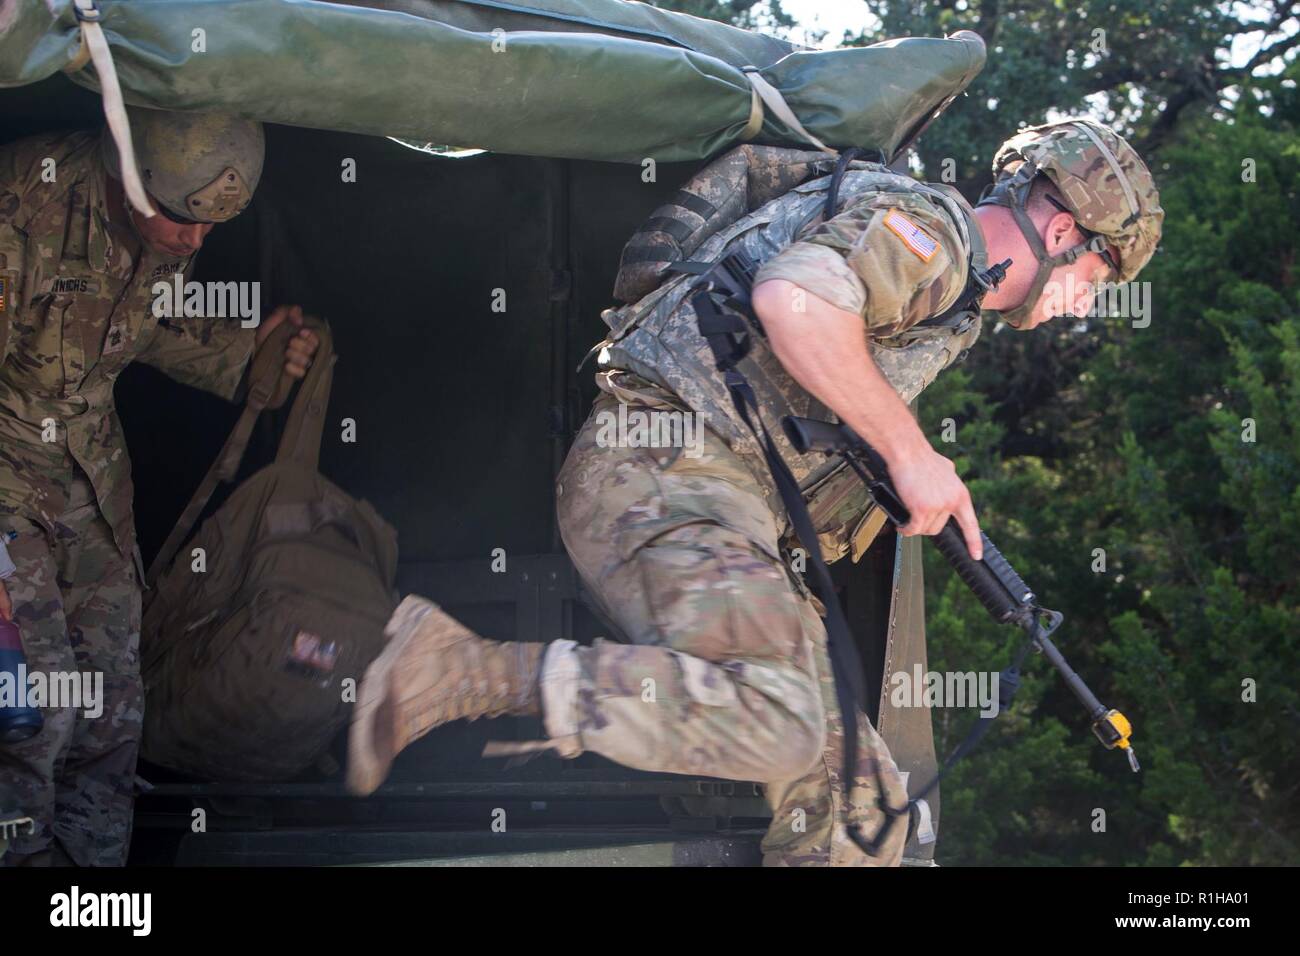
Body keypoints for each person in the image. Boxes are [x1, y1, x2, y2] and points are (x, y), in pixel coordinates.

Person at [346, 118, 1163, 866]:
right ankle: (457, 670)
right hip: (666, 465)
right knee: (779, 724)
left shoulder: (951, 302)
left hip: (720, 502)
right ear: (1062, 232)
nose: (1085, 303)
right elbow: (794, 299)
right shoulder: (935, 235)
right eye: (1098, 274)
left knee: (862, 812)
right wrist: (915, 455)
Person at [0, 107, 319, 866]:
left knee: (111, 710)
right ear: (127, 171)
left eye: (208, 227)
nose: (192, 241)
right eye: (180, 220)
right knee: (29, 711)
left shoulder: (168, 223)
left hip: (92, 489)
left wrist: (252, 355)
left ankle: (92, 892)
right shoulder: (21, 206)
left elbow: (140, 325)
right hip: (5, 484)